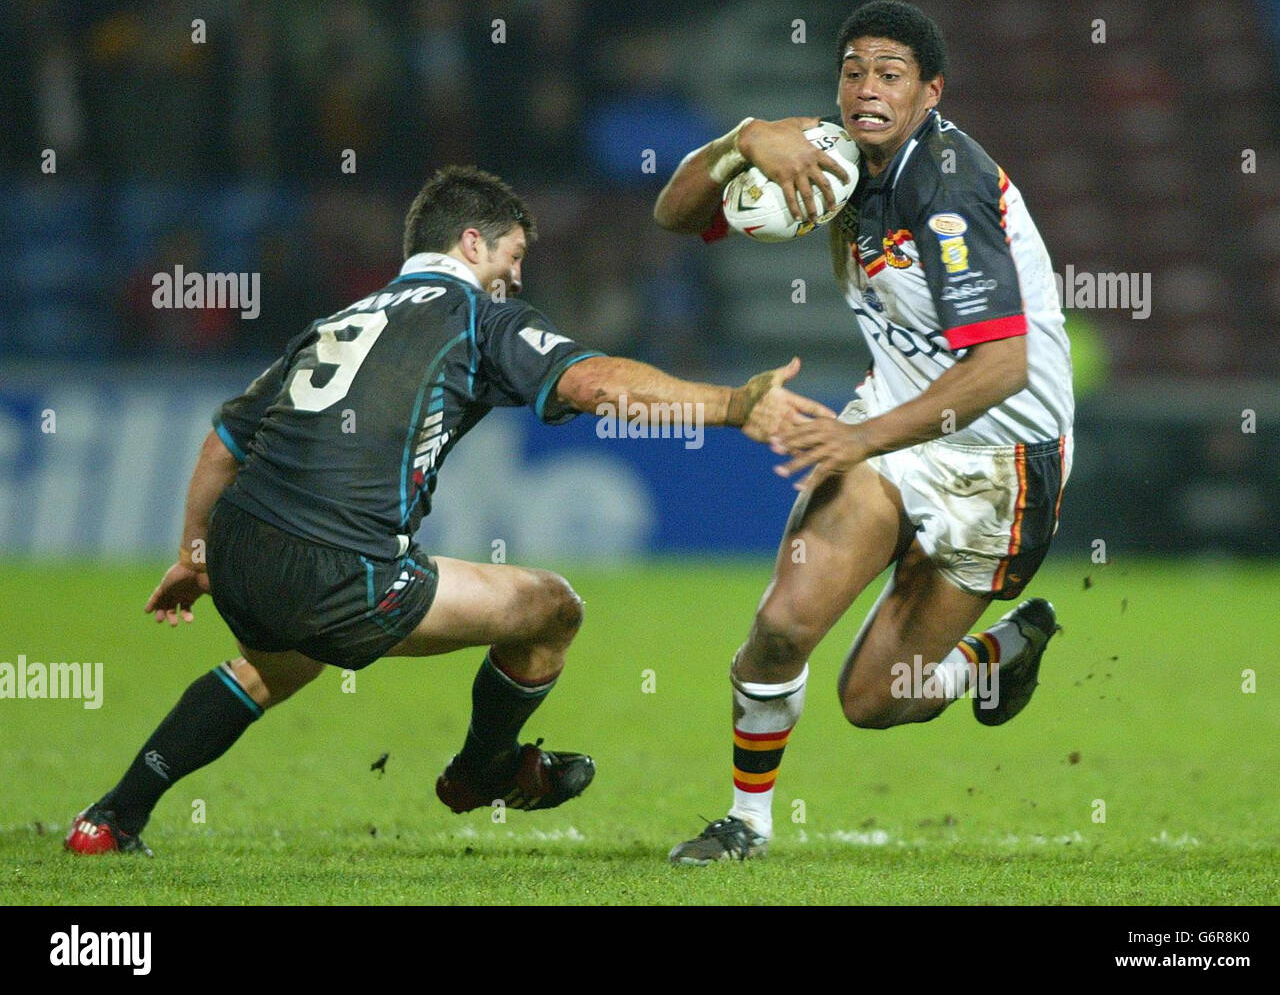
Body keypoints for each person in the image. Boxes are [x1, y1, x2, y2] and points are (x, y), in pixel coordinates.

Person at [65, 165, 832, 856]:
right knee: (552, 609)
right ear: (473, 244)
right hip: (342, 572)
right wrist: (733, 404)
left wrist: (196, 558)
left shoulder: (341, 321)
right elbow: (592, 383)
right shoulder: (475, 316)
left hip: (240, 553)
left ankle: (110, 819)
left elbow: (221, 446)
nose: (518, 277)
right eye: (513, 257)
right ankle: (484, 770)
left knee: (276, 665)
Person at [653, 0, 1075, 863]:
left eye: (890, 74)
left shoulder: (946, 183)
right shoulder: (825, 156)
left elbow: (1001, 369)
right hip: (893, 433)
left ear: (930, 93)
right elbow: (674, 214)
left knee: (876, 698)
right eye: (853, 71)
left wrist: (860, 438)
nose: (866, 89)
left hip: (1002, 460)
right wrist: (743, 139)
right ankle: (747, 822)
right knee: (781, 624)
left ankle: (996, 656)